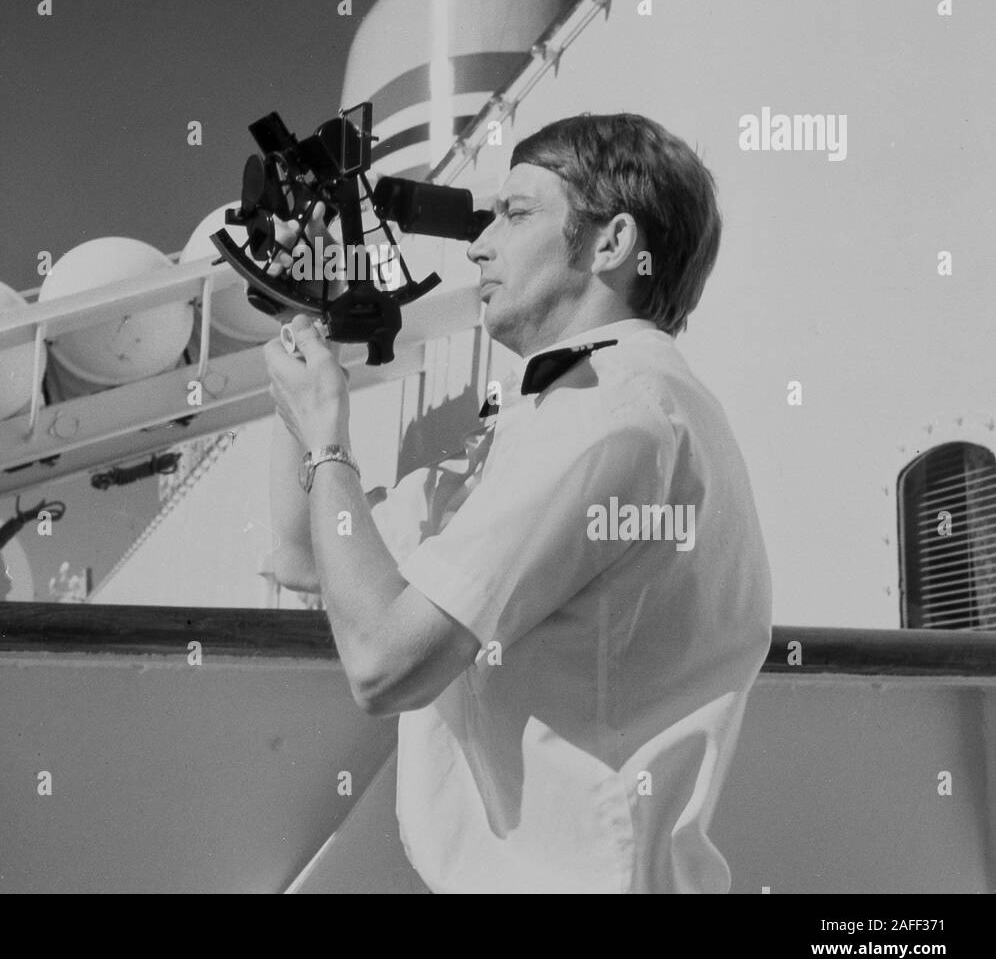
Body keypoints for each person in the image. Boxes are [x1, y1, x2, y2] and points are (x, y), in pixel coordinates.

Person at [264, 112, 772, 893]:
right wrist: (301, 334)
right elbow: (308, 557)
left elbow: (383, 663)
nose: (477, 244)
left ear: (612, 243)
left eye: (516, 212)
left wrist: (330, 436)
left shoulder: (607, 410)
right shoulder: (571, 412)